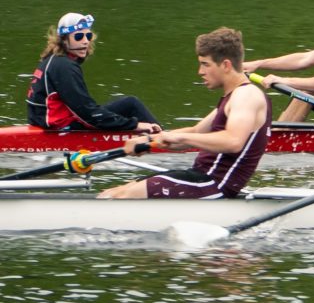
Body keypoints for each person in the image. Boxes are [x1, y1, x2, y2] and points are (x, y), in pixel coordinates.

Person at [100, 28, 270, 199]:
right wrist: (149, 140)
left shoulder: (247, 95)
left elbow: (233, 141)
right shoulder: (234, 96)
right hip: (200, 177)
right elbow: (196, 131)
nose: (200, 71)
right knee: (115, 192)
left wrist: (179, 137)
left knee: (123, 196)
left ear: (226, 65)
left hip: (214, 185)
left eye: (205, 64)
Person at [26, 12, 161, 133]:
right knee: (132, 104)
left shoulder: (53, 60)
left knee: (127, 103)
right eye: (79, 36)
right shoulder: (64, 66)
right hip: (61, 127)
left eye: (88, 36)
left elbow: (85, 109)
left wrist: (122, 123)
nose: (85, 41)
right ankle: (164, 140)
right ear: (64, 40)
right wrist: (134, 125)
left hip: (44, 122)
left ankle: (159, 135)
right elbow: (88, 114)